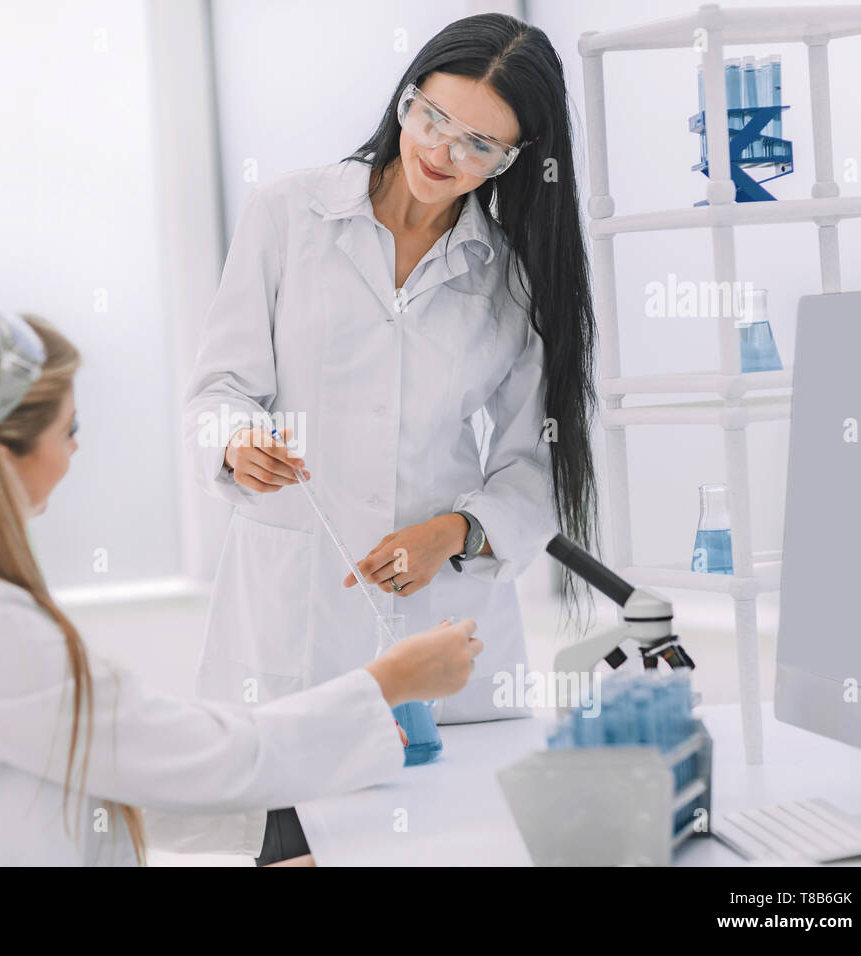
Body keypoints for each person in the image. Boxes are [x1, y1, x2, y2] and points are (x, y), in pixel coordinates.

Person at [0, 303, 481, 866]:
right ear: (2, 452)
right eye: (70, 429)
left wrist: (282, 832)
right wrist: (390, 681)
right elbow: (200, 755)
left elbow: (107, 771)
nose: (74, 452)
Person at [182, 13, 598, 862]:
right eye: (432, 117)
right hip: (295, 619)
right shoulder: (286, 215)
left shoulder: (511, 275)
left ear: (516, 162)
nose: (443, 151)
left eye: (481, 144)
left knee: (444, 843)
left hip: (441, 623)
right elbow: (219, 388)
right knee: (292, 838)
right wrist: (234, 441)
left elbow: (532, 460)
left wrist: (453, 533)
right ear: (405, 100)